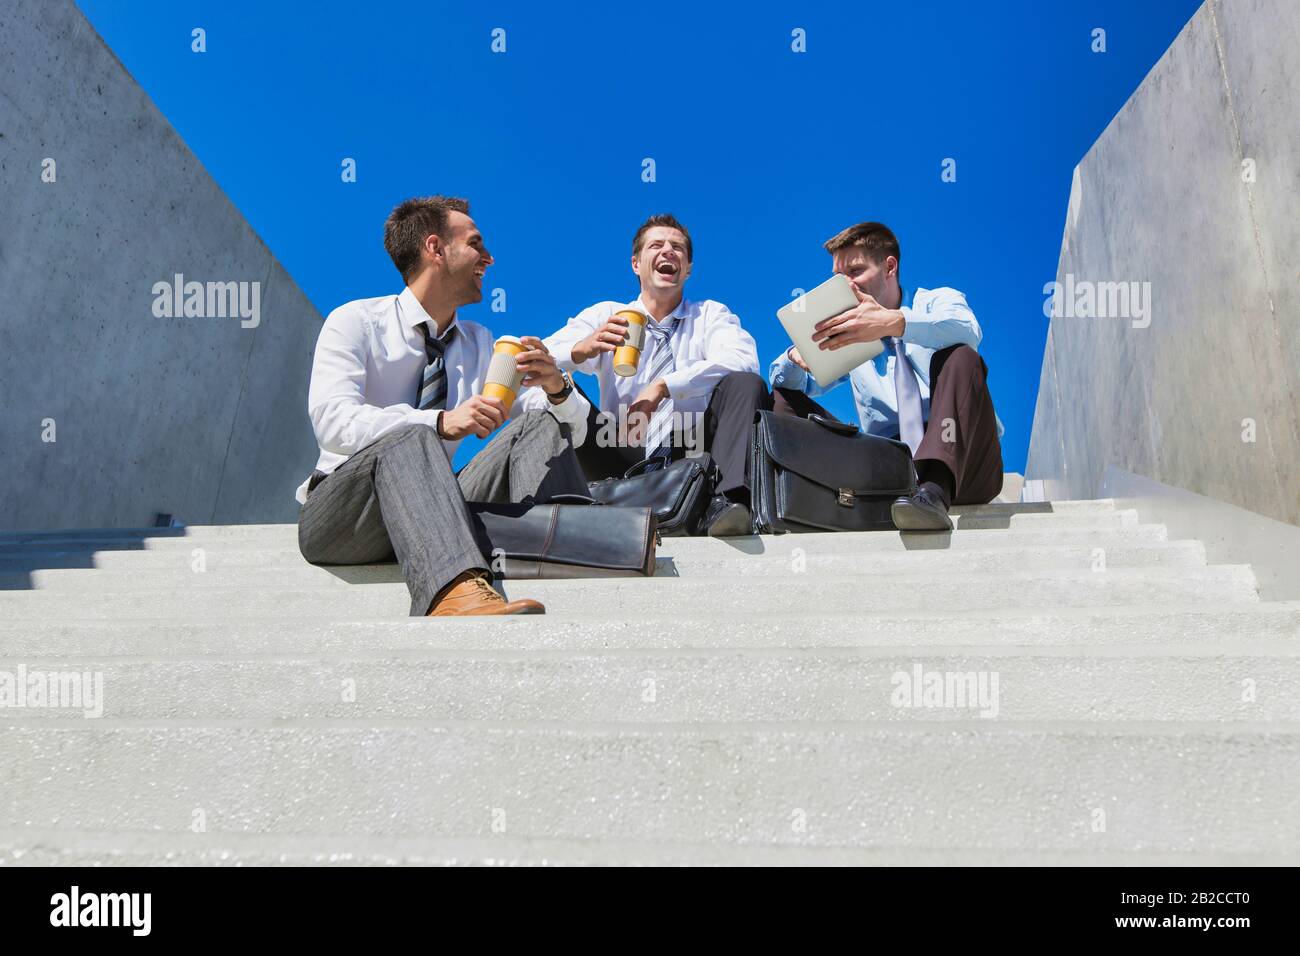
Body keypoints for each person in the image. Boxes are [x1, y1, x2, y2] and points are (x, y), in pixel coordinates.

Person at [296, 196, 592, 616]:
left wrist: (557, 387)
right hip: (346, 518)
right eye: (475, 244)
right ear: (435, 249)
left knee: (541, 423)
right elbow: (332, 423)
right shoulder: (355, 321)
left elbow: (572, 433)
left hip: (439, 509)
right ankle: (452, 593)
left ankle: (569, 548)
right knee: (412, 435)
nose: (488, 258)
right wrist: (439, 421)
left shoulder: (482, 344)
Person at [768, 221, 1004, 531]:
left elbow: (968, 332)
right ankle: (803, 506)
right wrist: (795, 359)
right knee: (785, 396)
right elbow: (787, 384)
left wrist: (892, 324)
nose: (845, 285)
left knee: (961, 356)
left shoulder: (935, 301)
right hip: (889, 469)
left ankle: (934, 491)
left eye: (854, 272)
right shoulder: (849, 330)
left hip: (964, 462)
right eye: (837, 278)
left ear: (889, 267)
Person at [544, 214, 765, 536]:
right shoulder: (607, 314)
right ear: (636, 264)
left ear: (688, 268)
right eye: (656, 245)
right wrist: (581, 349)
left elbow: (743, 360)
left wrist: (664, 386)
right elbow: (537, 361)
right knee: (554, 385)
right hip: (616, 448)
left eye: (677, 248)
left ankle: (727, 503)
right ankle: (559, 507)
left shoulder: (710, 314)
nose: (668, 251)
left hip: (692, 450)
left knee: (744, 383)